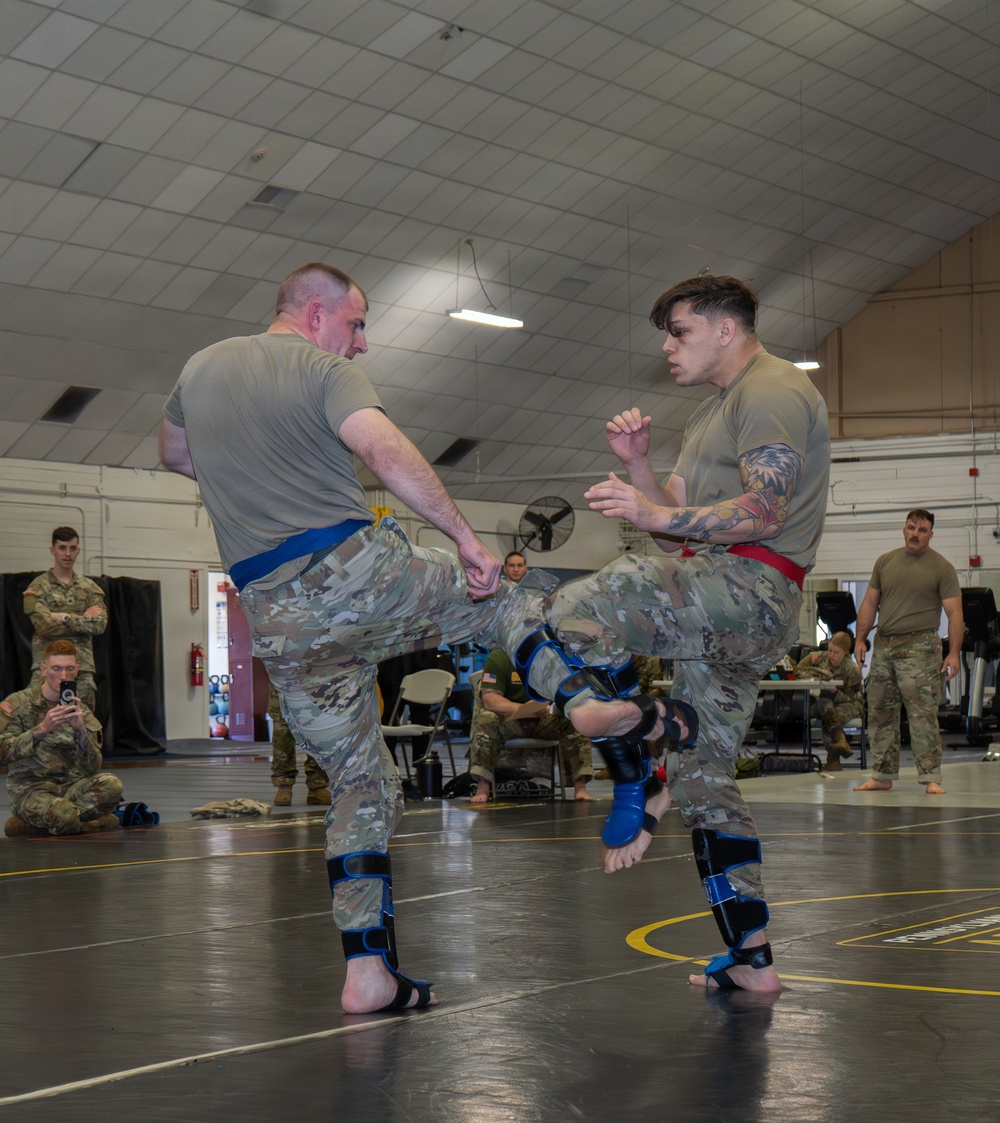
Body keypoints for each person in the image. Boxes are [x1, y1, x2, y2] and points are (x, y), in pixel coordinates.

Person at [157, 262, 674, 1015]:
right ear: (314, 315)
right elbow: (385, 451)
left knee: (362, 785)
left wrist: (252, 468)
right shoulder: (315, 366)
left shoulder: (198, 369)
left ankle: (368, 970)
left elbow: (175, 456)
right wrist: (464, 537)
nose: (361, 344)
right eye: (357, 324)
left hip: (277, 616)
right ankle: (588, 709)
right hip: (352, 570)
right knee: (497, 601)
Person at [516, 274, 831, 995]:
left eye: (679, 330)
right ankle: (753, 959)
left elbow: (763, 512)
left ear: (727, 328)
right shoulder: (712, 414)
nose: (667, 347)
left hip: (748, 587)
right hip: (725, 607)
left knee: (565, 614)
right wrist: (638, 470)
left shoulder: (771, 389)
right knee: (707, 781)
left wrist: (651, 520)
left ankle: (638, 753)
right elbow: (679, 515)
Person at [852, 510, 963, 795]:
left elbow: (955, 614)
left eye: (922, 530)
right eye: (911, 527)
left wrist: (953, 654)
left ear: (930, 534)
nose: (915, 534)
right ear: (904, 529)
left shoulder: (942, 568)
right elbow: (869, 603)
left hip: (921, 647)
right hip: (884, 645)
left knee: (922, 713)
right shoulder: (885, 562)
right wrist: (860, 639)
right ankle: (882, 774)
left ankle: (931, 778)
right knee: (879, 711)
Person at [0, 640, 122, 836]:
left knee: (112, 785)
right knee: (65, 814)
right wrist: (41, 729)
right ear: (44, 669)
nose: (63, 676)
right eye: (56, 668)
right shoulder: (18, 704)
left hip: (71, 787)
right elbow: (3, 752)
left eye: (69, 669)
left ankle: (42, 825)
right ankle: (91, 823)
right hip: (32, 790)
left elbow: (92, 768)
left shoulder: (81, 710)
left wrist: (82, 732)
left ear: (77, 670)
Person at [468, 648, 593, 803]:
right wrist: (519, 709)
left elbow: (566, 693)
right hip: (510, 721)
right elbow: (490, 699)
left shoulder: (550, 657)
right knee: (487, 719)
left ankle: (580, 787)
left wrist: (552, 710)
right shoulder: (499, 657)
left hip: (544, 720)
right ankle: (483, 784)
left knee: (575, 719)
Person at [23, 527, 107, 711]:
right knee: (40, 723)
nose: (68, 553)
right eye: (62, 548)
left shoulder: (90, 588)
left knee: (82, 726)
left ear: (78, 550)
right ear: (52, 550)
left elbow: (100, 625)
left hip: (81, 669)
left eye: (72, 548)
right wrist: (83, 621)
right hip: (47, 669)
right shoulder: (37, 588)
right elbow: (43, 626)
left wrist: (64, 617)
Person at [794, 632, 863, 771]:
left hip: (849, 705)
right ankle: (840, 745)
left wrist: (835, 692)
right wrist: (814, 670)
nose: (831, 655)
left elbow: (854, 699)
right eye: (829, 650)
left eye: (836, 652)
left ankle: (834, 760)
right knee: (825, 705)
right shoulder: (820, 658)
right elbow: (797, 671)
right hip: (824, 703)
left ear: (845, 652)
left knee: (829, 713)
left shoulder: (852, 670)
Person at [267, 684, 330, 807]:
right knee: (282, 738)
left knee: (317, 736)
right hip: (284, 685)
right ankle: (284, 785)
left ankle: (317, 786)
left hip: (313, 685)